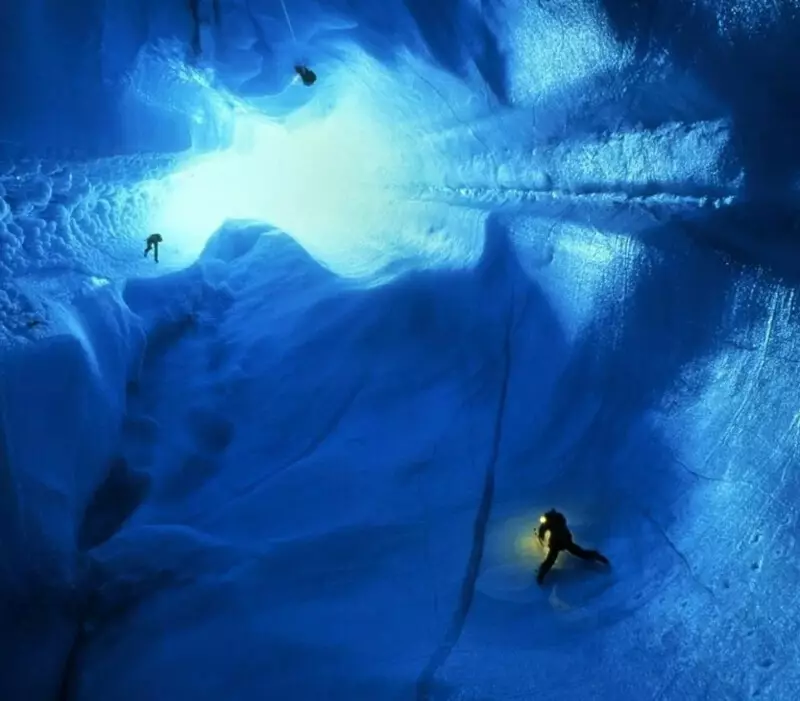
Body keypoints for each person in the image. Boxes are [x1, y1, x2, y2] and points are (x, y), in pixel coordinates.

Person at [536, 509, 609, 584]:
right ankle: (541, 574)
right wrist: (541, 535)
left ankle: (596, 556)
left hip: (564, 542)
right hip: (558, 543)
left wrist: (542, 534)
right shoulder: (551, 521)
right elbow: (543, 528)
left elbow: (550, 528)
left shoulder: (558, 519)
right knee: (551, 559)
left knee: (579, 553)